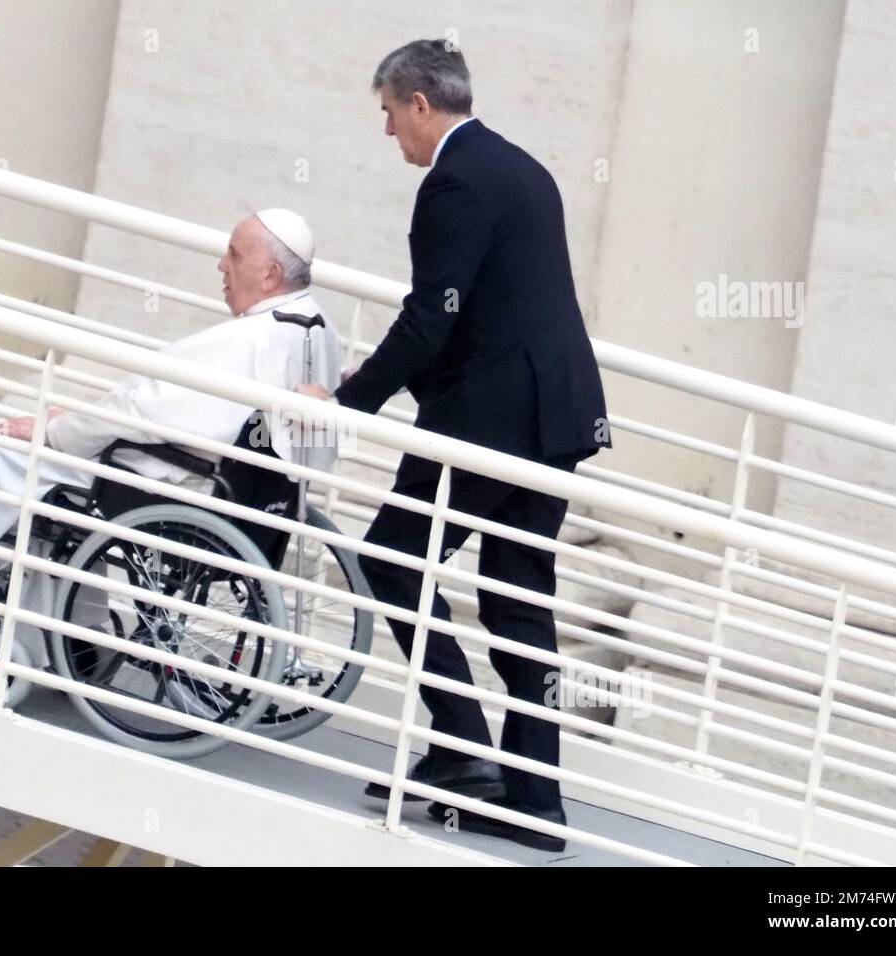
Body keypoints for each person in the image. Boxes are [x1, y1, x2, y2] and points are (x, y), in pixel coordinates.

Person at [299, 40, 610, 851]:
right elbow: (488, 309)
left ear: (421, 106)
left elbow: (433, 317)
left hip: (489, 418)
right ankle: (534, 800)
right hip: (554, 416)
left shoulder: (456, 180)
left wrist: (350, 400)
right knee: (516, 595)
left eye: (389, 113)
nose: (388, 132)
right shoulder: (522, 167)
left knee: (391, 558)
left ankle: (463, 747)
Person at [0, 208, 341, 654]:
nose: (221, 265)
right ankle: (70, 635)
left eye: (235, 255)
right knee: (58, 484)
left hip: (168, 489)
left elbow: (138, 409)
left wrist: (52, 431)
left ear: (270, 275)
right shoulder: (319, 333)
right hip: (238, 500)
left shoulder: (251, 338)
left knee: (3, 451)